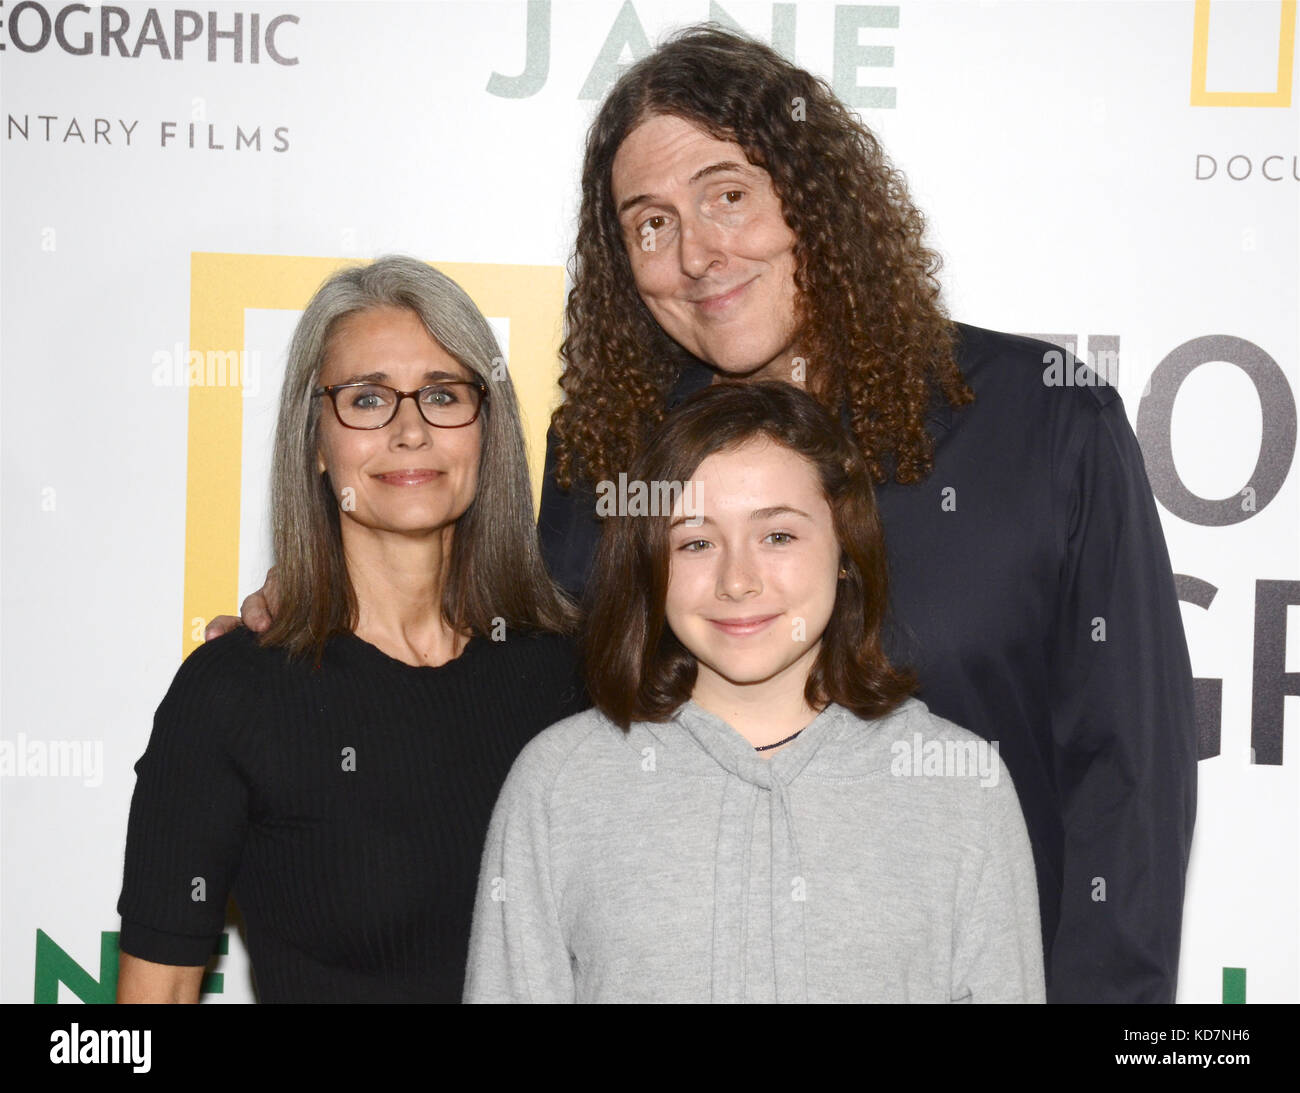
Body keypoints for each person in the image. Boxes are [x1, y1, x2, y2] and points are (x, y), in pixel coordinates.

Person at [535, 25, 1197, 1003]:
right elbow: (546, 732)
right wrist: (342, 609)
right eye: (650, 224)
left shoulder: (1044, 421)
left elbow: (1129, 782)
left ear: (813, 197)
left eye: (726, 194)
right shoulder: (602, 456)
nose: (698, 254)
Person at [465, 382, 1045, 1003]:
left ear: (847, 549)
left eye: (778, 536)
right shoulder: (559, 783)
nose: (736, 581)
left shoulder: (961, 787)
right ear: (650, 565)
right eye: (695, 542)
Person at [116, 256, 586, 1003]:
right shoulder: (231, 695)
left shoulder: (576, 679)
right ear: (314, 441)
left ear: (486, 430)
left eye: (441, 394)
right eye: (367, 399)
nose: (409, 430)